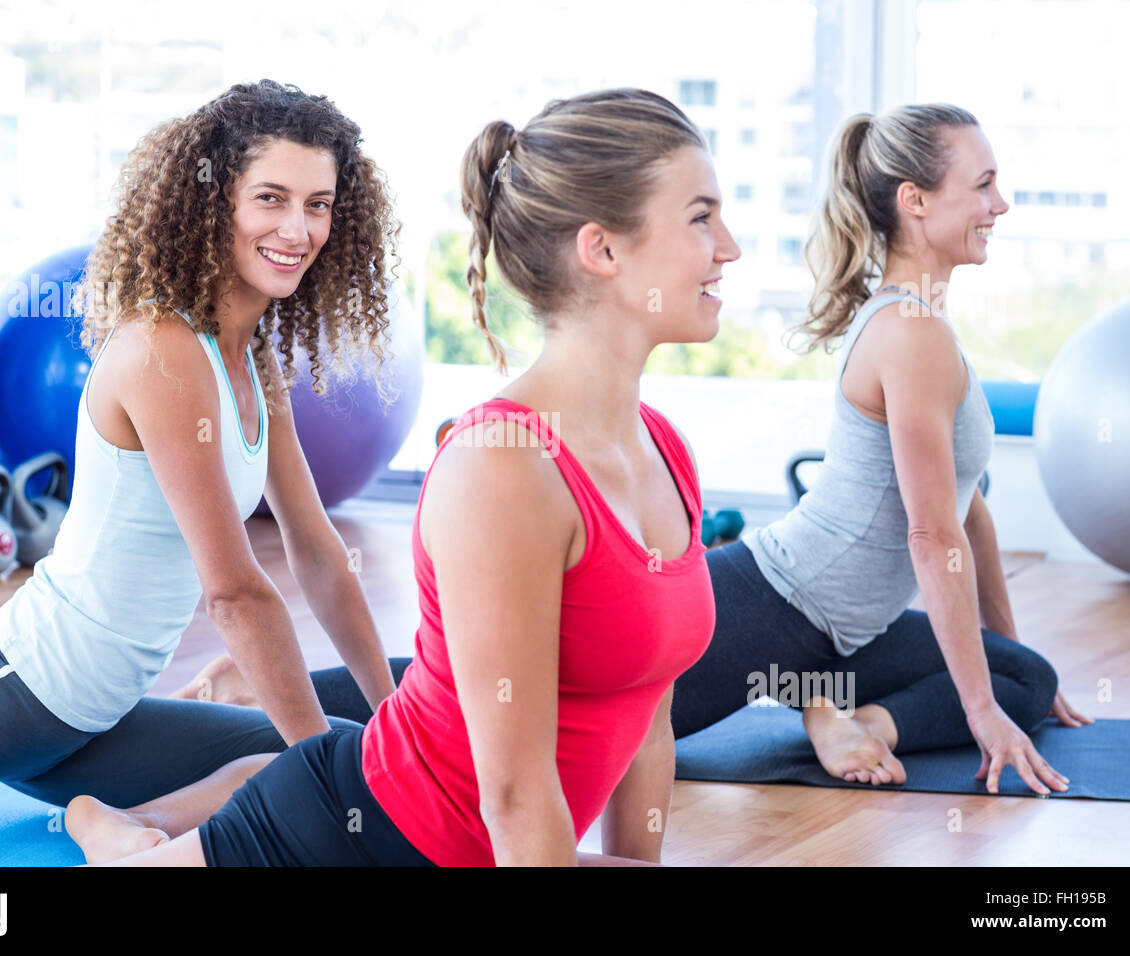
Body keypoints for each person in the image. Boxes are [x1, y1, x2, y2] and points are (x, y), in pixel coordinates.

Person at [63, 87, 741, 866]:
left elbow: (648, 719)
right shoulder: (503, 468)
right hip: (351, 838)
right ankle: (109, 829)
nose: (728, 246)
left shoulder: (665, 452)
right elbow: (515, 796)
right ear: (604, 250)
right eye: (700, 216)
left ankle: (131, 821)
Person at [0, 80, 402, 820]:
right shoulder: (165, 350)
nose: (297, 228)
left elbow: (317, 551)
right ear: (216, 205)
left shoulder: (253, 356)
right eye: (270, 198)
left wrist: (393, 716)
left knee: (355, 739)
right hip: (1, 693)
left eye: (319, 204)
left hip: (96, 725)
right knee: (328, 758)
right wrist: (322, 769)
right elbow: (234, 593)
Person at [670, 104, 1091, 794]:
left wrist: (1004, 658)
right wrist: (979, 713)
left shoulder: (930, 325)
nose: (1000, 204)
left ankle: (854, 717)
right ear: (915, 202)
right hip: (766, 608)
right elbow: (931, 536)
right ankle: (814, 699)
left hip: (843, 633)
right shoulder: (910, 332)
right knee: (598, 720)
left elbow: (967, 506)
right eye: (983, 185)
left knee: (1029, 680)